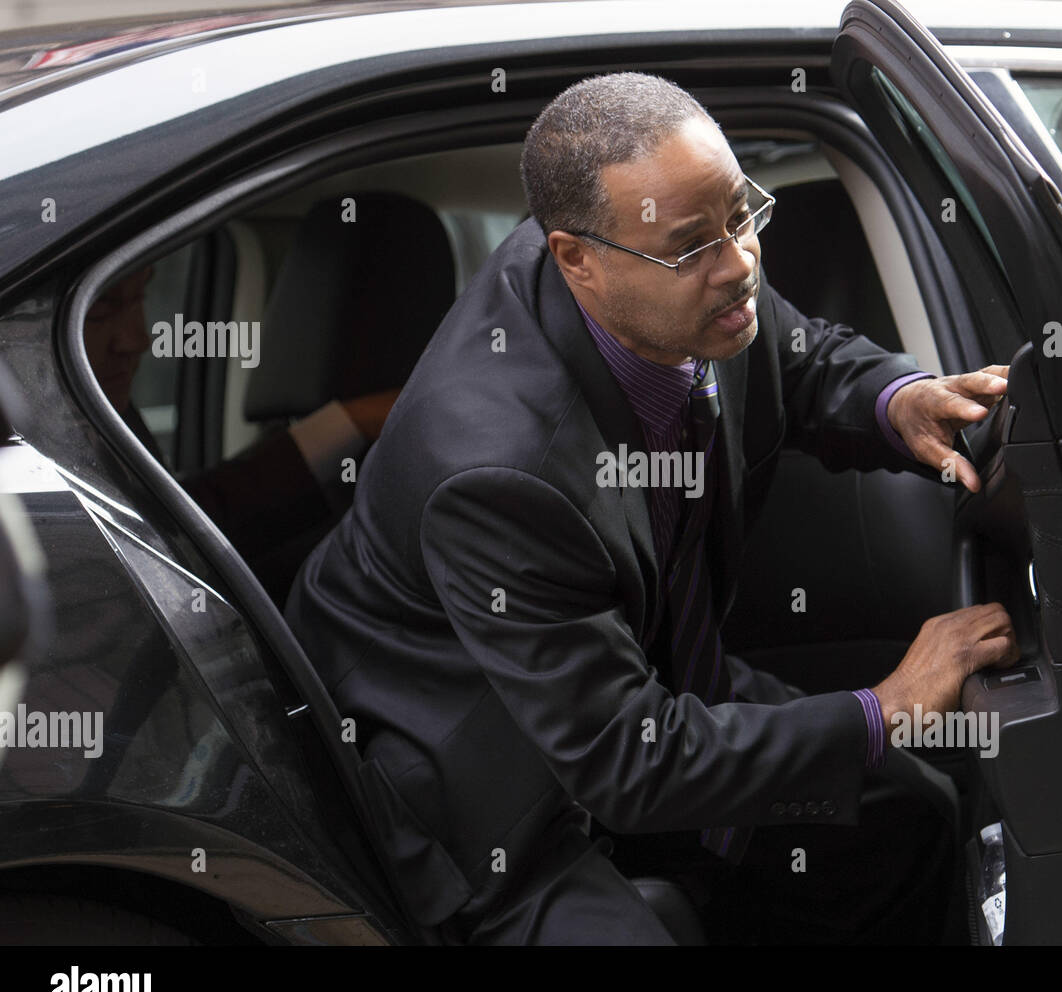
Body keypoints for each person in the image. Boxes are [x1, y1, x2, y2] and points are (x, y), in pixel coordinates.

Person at [283, 72, 1019, 945]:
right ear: (575, 260)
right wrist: (887, 704)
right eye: (695, 245)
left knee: (906, 814)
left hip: (627, 677)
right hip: (472, 761)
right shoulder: (498, 470)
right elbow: (628, 761)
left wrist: (899, 402)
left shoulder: (682, 279)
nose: (738, 263)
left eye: (742, 216)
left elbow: (801, 356)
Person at [85, 265, 398, 603]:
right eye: (102, 310)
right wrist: (349, 421)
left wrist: (350, 421)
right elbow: (177, 536)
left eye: (140, 297)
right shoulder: (71, 418)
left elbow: (190, 519)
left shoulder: (101, 404)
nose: (139, 339)